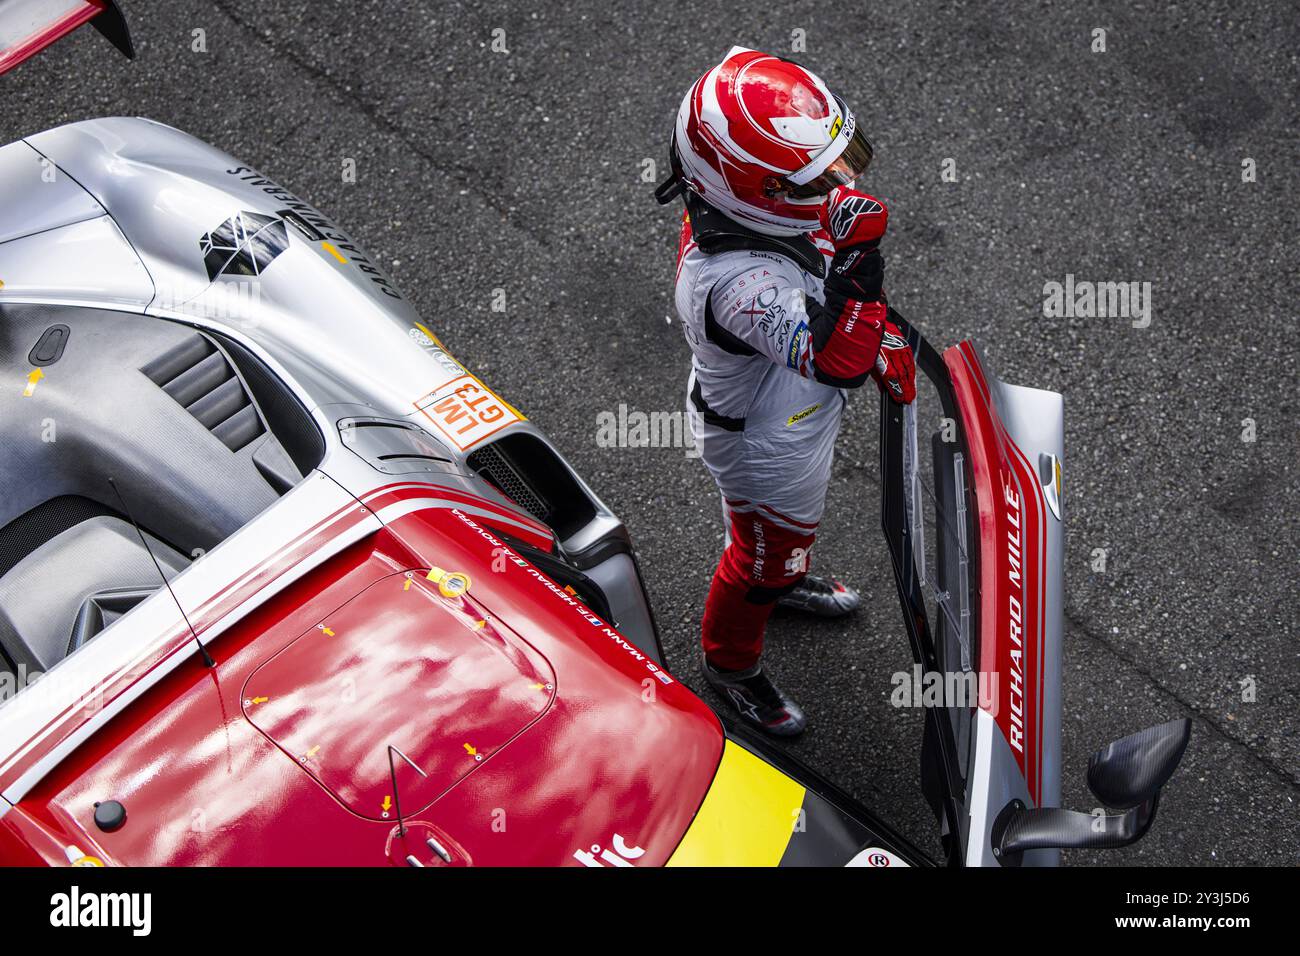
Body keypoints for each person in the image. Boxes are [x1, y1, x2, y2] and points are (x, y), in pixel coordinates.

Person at [655, 47, 916, 737]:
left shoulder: (731, 203)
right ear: (750, 190)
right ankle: (730, 666)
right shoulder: (736, 285)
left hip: (777, 409)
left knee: (773, 542)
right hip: (767, 444)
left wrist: (874, 322)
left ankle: (782, 570)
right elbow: (835, 358)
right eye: (813, 181)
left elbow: (825, 313)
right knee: (759, 556)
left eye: (841, 161)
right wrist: (861, 261)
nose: (840, 187)